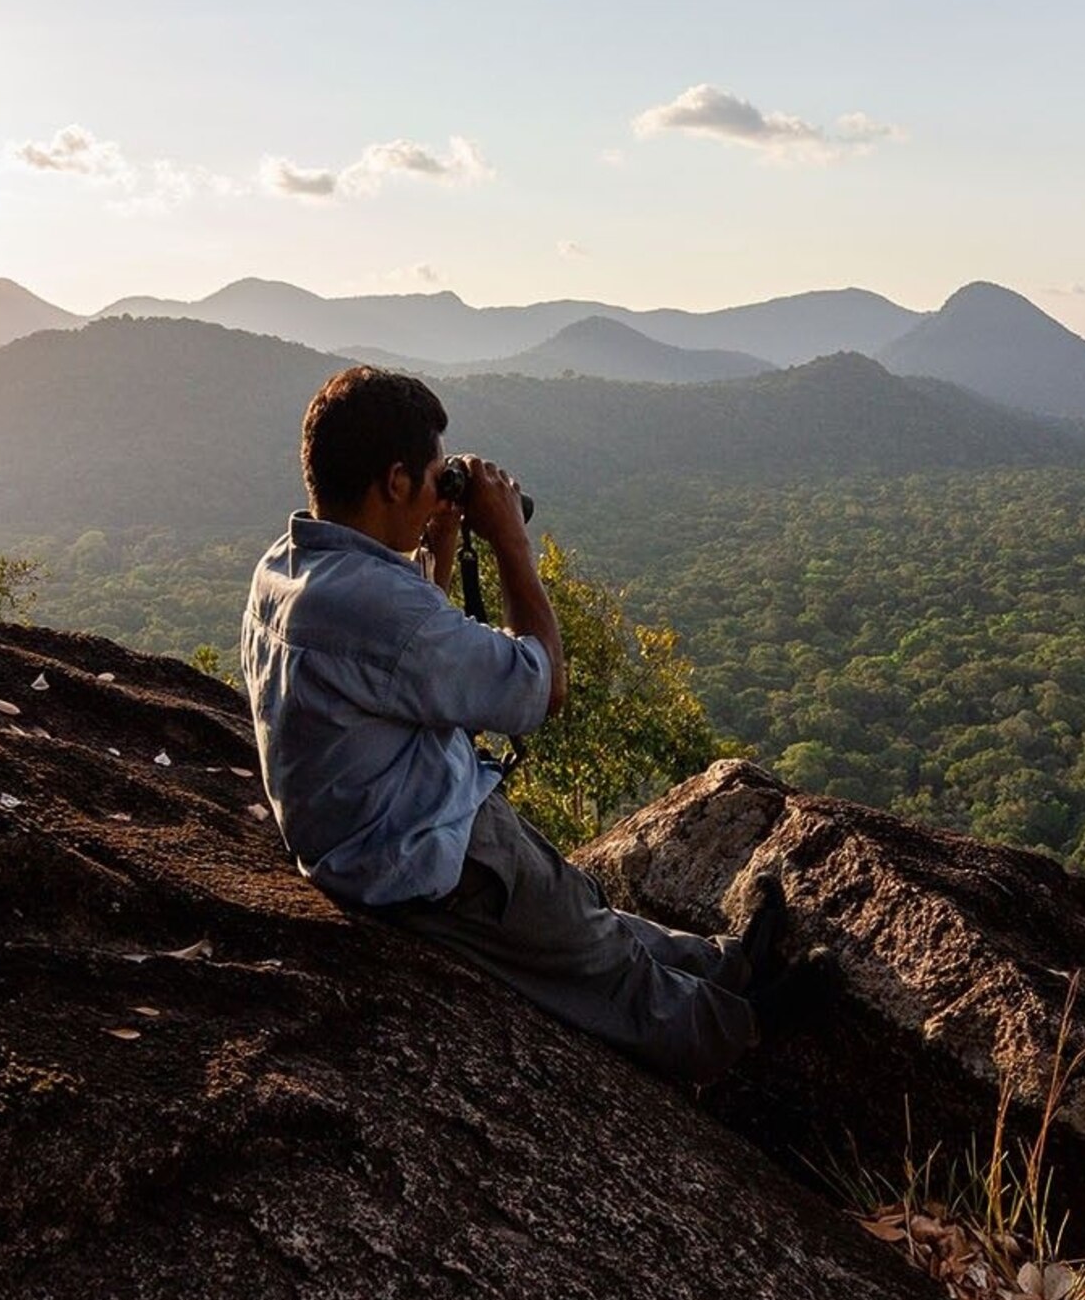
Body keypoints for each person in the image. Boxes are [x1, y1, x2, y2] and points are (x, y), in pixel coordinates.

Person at [240, 365, 805, 1086]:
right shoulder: (377, 608)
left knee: (586, 913)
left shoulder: (288, 567)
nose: (443, 487)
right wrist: (509, 540)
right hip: (422, 858)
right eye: (434, 474)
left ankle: (728, 964)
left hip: (366, 836)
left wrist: (436, 549)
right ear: (393, 481)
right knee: (595, 957)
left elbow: (397, 663)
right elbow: (542, 685)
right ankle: (743, 1033)